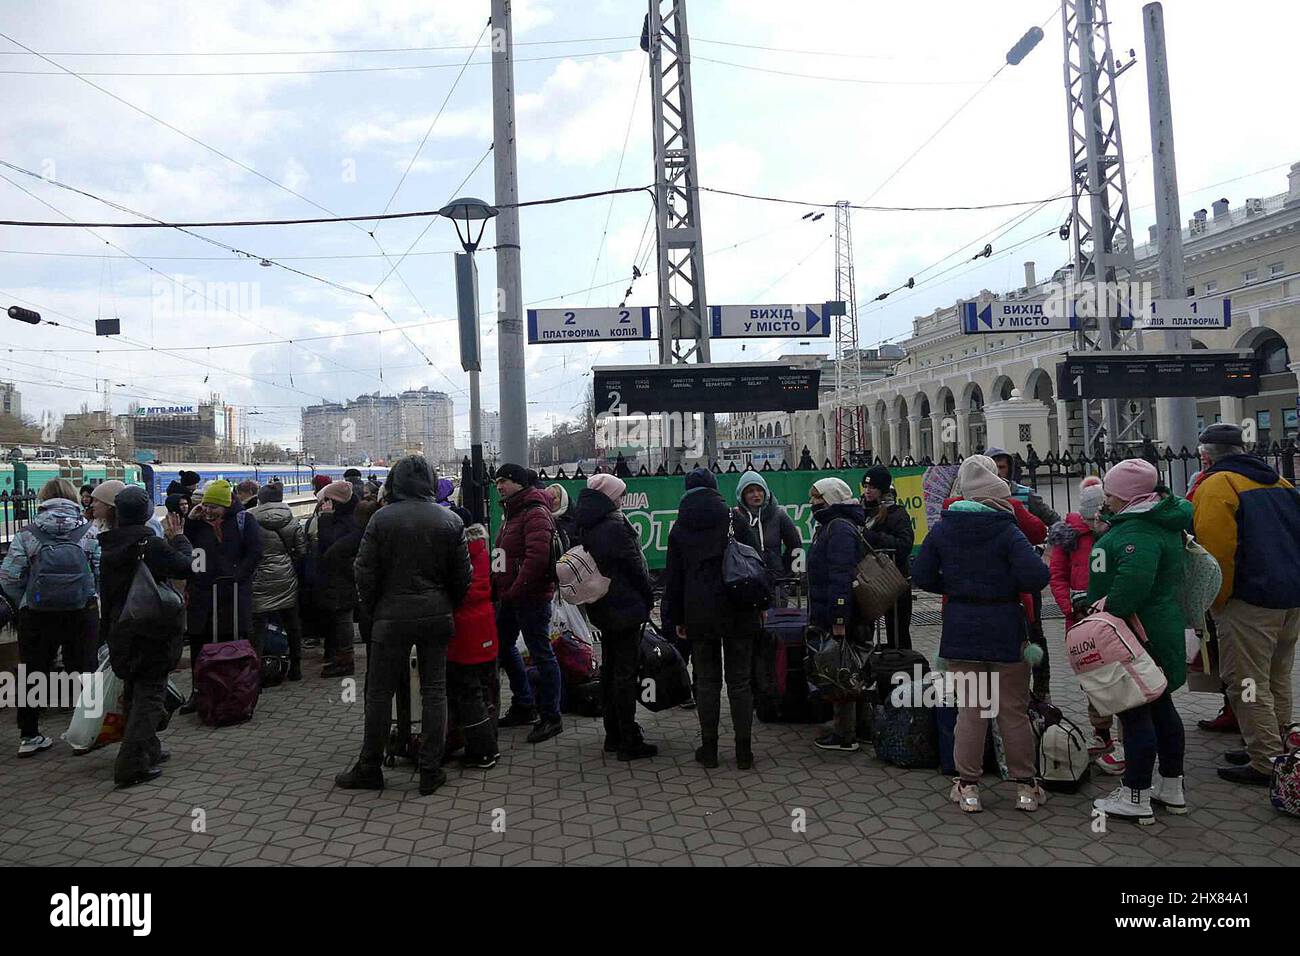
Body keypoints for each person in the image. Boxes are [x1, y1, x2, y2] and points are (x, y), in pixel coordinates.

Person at [912, 455, 1052, 814]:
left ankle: (969, 788)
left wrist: (956, 587)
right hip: (1005, 625)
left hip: (961, 626)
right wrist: (1004, 585)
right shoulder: (1006, 529)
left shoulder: (943, 528)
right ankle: (1025, 788)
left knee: (971, 712)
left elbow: (923, 575)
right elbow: (1036, 576)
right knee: (1012, 712)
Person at [336, 455, 472, 795]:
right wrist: (446, 605)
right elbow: (462, 577)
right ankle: (430, 769)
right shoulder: (449, 519)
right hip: (436, 615)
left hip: (389, 617)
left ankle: (370, 766)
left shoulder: (381, 519)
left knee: (379, 694)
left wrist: (374, 609)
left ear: (394, 481)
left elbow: (364, 571)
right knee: (434, 691)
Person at [1192, 423, 1300, 786]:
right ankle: (1277, 747)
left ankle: (1266, 762)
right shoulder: (1280, 484)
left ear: (1205, 455)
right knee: (1276, 677)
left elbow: (1215, 552)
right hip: (1289, 597)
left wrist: (1214, 600)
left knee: (1247, 681)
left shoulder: (1217, 486)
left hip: (1249, 601)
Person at [1084, 458, 1192, 823]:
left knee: (1134, 713)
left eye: (1111, 495)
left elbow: (1133, 581)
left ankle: (1135, 795)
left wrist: (1106, 605)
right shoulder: (1158, 520)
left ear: (1127, 497)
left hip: (1134, 633)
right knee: (1162, 708)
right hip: (1157, 627)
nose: (1107, 501)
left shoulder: (1137, 531)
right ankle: (1171, 787)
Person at [97, 486, 195, 788]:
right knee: (150, 695)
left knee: (134, 691)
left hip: (121, 628)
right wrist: (179, 538)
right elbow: (188, 566)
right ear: (146, 512)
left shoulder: (108, 543)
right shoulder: (148, 544)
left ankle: (149, 749)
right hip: (151, 628)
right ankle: (131, 764)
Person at [664, 467, 760, 768]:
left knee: (706, 681)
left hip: (699, 613)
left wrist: (677, 618)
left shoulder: (679, 527)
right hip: (739, 608)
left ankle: (710, 750)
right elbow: (756, 561)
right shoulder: (734, 518)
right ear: (715, 489)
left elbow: (674, 579)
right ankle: (744, 752)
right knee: (740, 681)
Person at [0, 478, 99, 757]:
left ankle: (30, 735)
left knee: (34, 672)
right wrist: (89, 594)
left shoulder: (27, 534)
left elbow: (8, 577)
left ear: (42, 500)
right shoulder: (89, 531)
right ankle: (87, 733)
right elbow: (100, 571)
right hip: (81, 612)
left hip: (37, 614)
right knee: (85, 671)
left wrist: (26, 599)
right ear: (73, 498)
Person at [574, 473, 658, 761]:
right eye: (620, 494)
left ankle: (612, 734)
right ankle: (627, 739)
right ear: (610, 496)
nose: (623, 499)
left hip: (602, 606)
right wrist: (648, 597)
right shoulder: (614, 525)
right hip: (625, 605)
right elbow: (635, 567)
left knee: (610, 669)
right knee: (625, 673)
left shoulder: (586, 522)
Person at [1047, 475, 1124, 772]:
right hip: (1081, 622)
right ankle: (1102, 733)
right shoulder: (1069, 536)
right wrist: (1069, 609)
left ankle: (1123, 740)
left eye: (1101, 514)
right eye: (1092, 515)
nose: (1096, 521)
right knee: (1092, 679)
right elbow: (1057, 576)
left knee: (1120, 679)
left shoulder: (1115, 532)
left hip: (1115, 618)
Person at [492, 463, 564, 744]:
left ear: (519, 483)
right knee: (503, 645)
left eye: (505, 481)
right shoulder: (512, 512)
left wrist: (514, 589)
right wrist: (495, 584)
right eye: (497, 481)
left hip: (531, 597)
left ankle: (551, 716)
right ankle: (524, 704)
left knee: (542, 653)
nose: (500, 486)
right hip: (509, 596)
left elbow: (537, 558)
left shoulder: (534, 512)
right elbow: (501, 553)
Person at [178, 479, 263, 714]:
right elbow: (192, 550)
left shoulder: (244, 521)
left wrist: (238, 575)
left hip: (232, 594)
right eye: (206, 505)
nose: (208, 510)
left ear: (226, 505)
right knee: (200, 642)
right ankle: (200, 691)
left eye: (213, 507)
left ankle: (238, 689)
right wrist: (191, 524)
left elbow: (255, 551)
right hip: (203, 593)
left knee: (233, 642)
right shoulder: (199, 524)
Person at [805, 477, 868, 753]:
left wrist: (839, 619)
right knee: (840, 669)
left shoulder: (839, 529)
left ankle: (846, 735)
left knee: (841, 670)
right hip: (831, 612)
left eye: (818, 498)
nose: (813, 504)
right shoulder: (831, 525)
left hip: (839, 614)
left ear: (831, 498)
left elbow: (840, 577)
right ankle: (849, 728)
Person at [444, 503, 500, 769]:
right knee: (488, 689)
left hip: (465, 632)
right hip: (485, 627)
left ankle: (482, 751)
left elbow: (457, 591)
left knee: (468, 693)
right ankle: (489, 741)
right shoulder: (481, 551)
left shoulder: (456, 554)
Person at [248, 481, 305, 680]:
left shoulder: (249, 520)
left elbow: (246, 552)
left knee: (257, 628)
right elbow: (301, 551)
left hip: (259, 579)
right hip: (286, 579)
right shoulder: (292, 520)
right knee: (292, 625)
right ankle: (296, 668)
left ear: (260, 499)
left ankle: (255, 675)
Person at [859, 465, 914, 649]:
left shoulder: (897, 513)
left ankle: (902, 669)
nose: (867, 491)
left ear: (882, 489)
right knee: (863, 632)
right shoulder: (860, 511)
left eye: (872, 487)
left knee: (898, 634)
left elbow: (904, 545)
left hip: (894, 581)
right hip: (867, 582)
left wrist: (873, 538)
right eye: (865, 487)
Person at [312, 481, 363, 678]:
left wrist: (324, 518)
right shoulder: (350, 517)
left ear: (334, 502)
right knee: (339, 618)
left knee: (343, 619)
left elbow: (328, 545)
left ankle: (345, 661)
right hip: (339, 578)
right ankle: (340, 657)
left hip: (341, 578)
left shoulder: (345, 521)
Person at [730, 469, 801, 602]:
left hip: (776, 583)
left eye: (759, 490)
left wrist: (787, 572)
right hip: (747, 582)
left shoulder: (779, 515)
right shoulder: (736, 518)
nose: (756, 494)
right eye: (750, 491)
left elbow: (796, 546)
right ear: (742, 495)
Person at [546, 483, 578, 551]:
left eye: (554, 498)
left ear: (562, 498)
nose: (550, 502)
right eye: (547, 498)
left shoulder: (575, 517)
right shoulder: (542, 517)